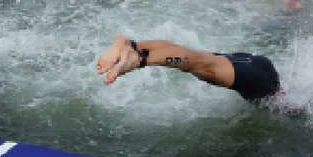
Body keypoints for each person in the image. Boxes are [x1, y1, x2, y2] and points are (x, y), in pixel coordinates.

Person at [95, 34, 281, 102]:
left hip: (248, 61)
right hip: (258, 79)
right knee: (200, 62)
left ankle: (132, 45)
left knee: (201, 58)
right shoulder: (276, 100)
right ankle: (138, 57)